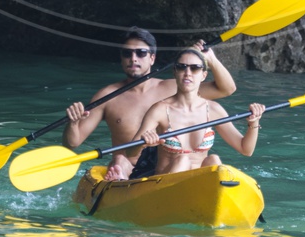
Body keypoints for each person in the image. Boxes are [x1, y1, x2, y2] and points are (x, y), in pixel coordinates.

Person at [63, 27, 236, 182]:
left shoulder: (174, 86)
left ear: (152, 58)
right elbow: (73, 143)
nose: (133, 59)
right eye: (127, 54)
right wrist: (73, 122)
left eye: (141, 53)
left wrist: (210, 59)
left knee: (208, 160)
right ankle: (118, 185)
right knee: (119, 160)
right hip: (129, 168)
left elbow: (226, 89)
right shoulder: (107, 96)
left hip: (170, 166)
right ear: (121, 58)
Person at [137, 47, 264, 173]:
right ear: (175, 72)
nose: (188, 73)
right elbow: (130, 152)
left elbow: (246, 150)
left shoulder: (214, 110)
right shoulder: (160, 110)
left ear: (204, 75)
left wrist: (253, 122)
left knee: (213, 160)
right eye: (182, 67)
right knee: (183, 160)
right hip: (166, 182)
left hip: (199, 184)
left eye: (195, 68)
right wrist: (143, 143)